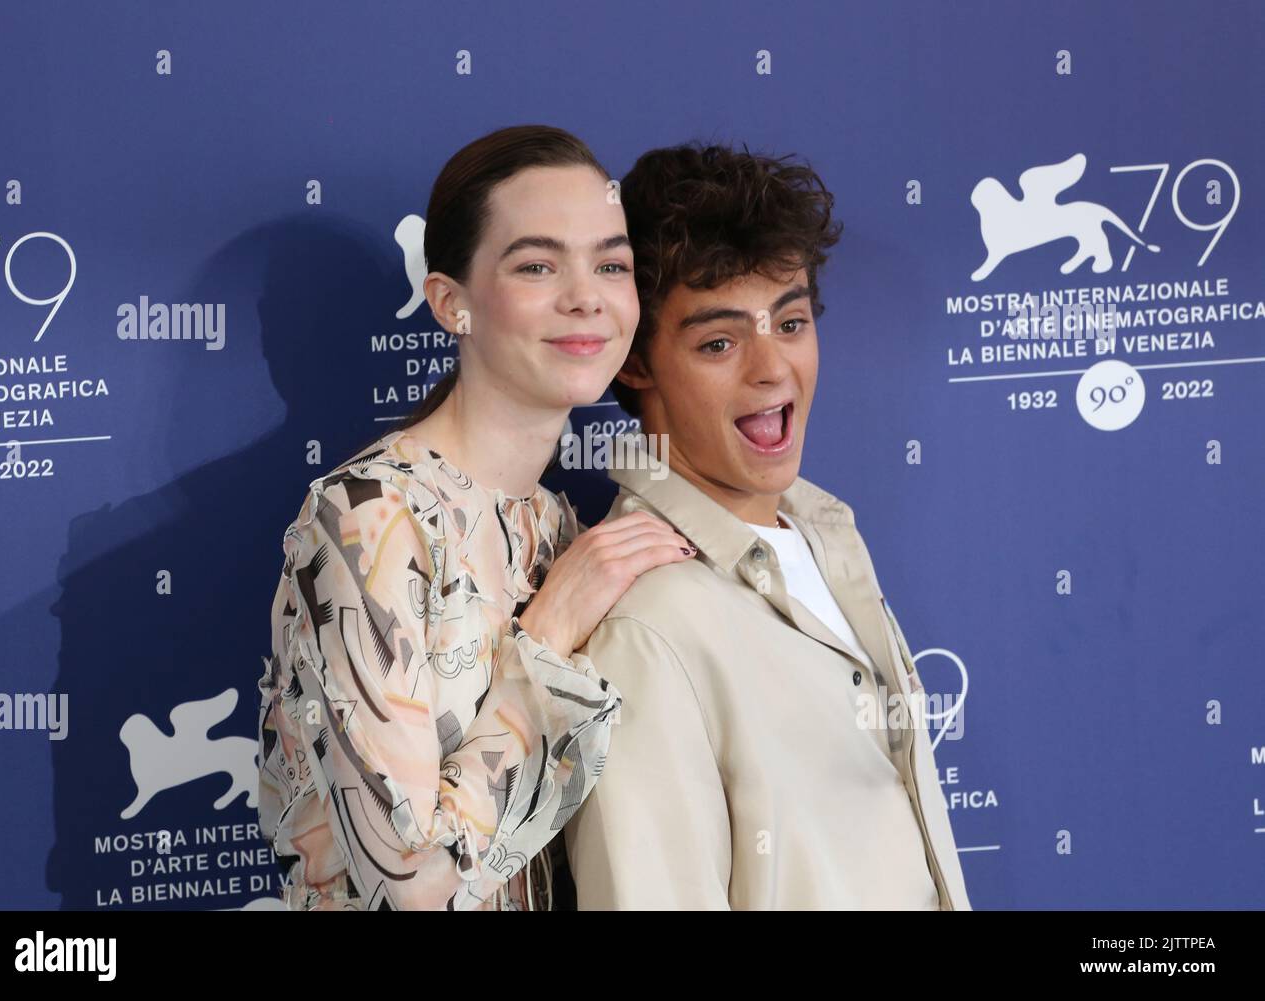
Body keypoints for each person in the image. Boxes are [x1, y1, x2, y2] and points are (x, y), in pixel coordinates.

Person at [255, 125, 696, 911]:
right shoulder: (366, 519)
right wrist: (547, 638)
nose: (586, 295)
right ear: (450, 303)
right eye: (536, 264)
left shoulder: (562, 526)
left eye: (611, 263)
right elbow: (410, 890)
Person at [563, 141, 973, 909]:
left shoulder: (823, 535)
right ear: (634, 362)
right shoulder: (648, 626)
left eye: (789, 323)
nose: (771, 369)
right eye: (719, 342)